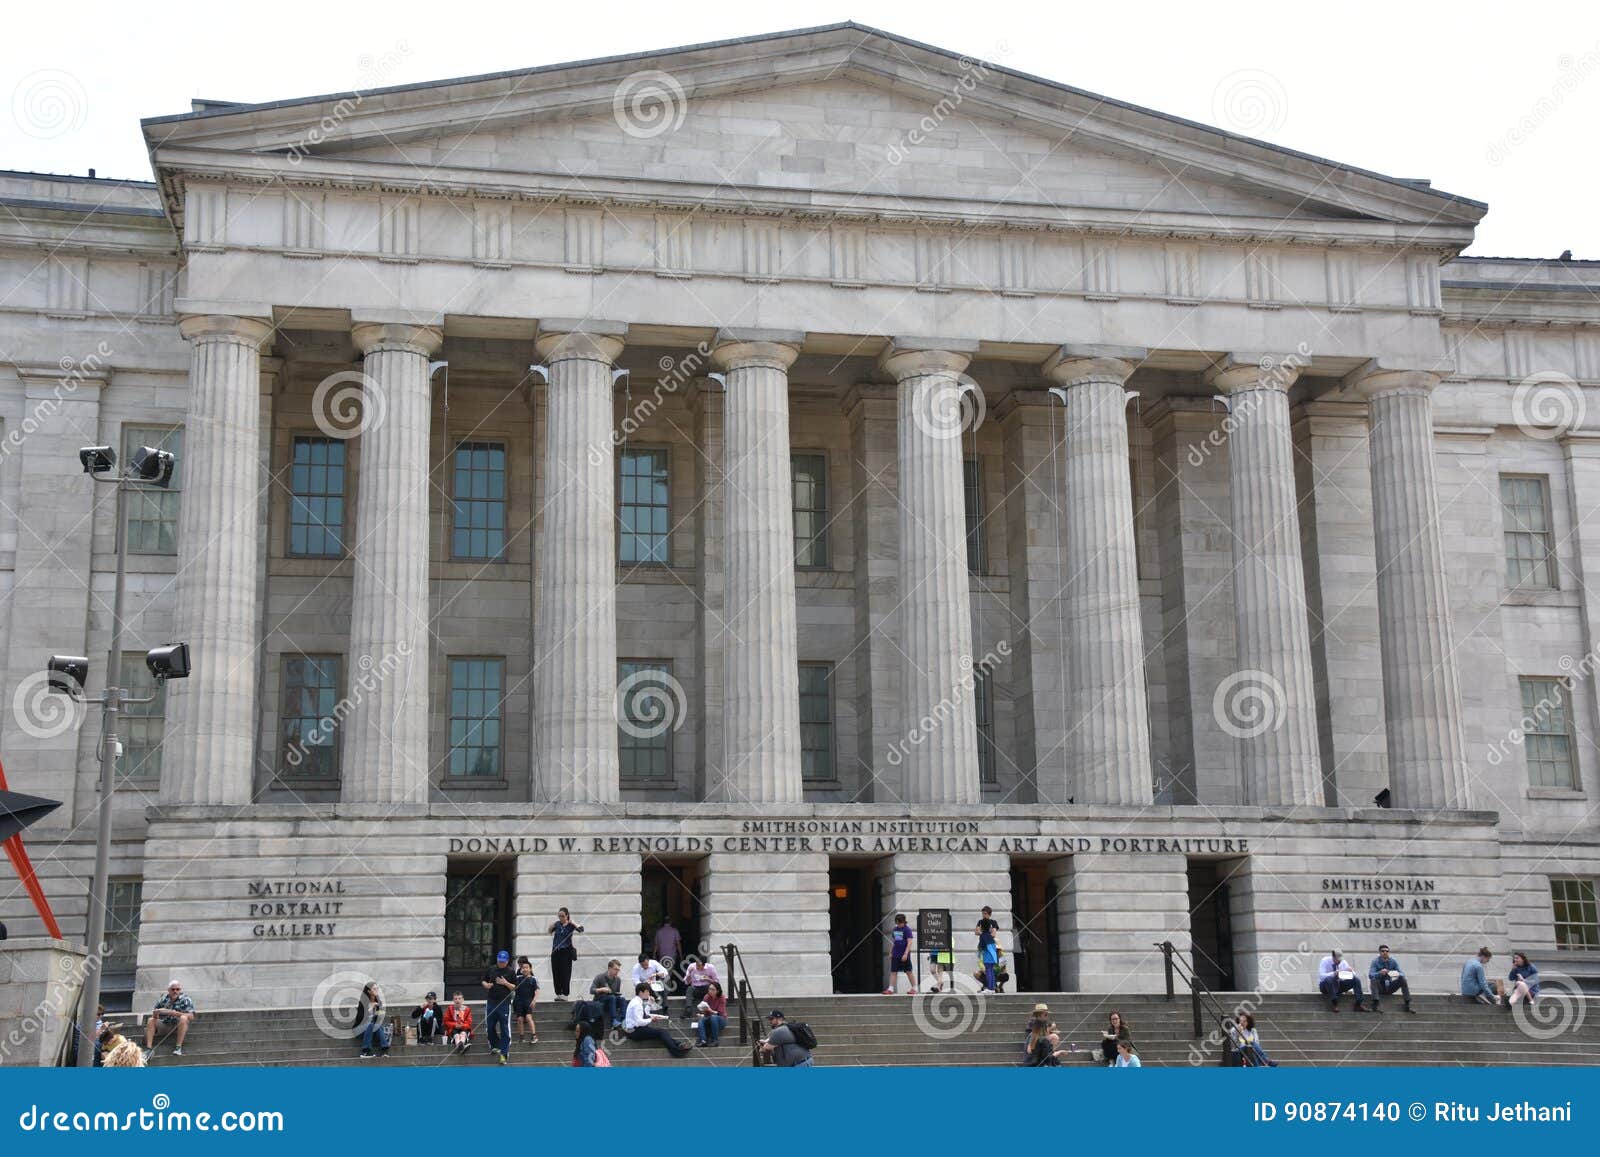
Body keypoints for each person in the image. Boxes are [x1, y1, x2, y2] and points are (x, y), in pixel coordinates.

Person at [623, 982, 690, 1057]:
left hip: (637, 1029)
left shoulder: (637, 1001)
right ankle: (677, 1052)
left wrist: (649, 1003)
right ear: (641, 992)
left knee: (661, 1033)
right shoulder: (637, 1004)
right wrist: (651, 1019)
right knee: (662, 1032)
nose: (649, 993)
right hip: (634, 1031)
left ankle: (678, 1044)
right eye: (647, 991)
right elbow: (639, 1022)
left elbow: (645, 1013)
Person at [482, 949, 518, 1064]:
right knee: (490, 1026)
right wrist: (486, 985)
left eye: (503, 961)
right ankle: (495, 1045)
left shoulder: (511, 971)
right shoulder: (492, 969)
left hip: (504, 1003)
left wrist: (505, 983)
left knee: (505, 1029)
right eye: (499, 961)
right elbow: (483, 980)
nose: (501, 963)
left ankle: (504, 1054)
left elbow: (515, 987)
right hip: (491, 1002)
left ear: (507, 961)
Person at [142, 980, 196, 1058]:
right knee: (151, 1020)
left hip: (178, 1026)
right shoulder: (163, 999)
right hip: (165, 1024)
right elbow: (155, 1015)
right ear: (168, 990)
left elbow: (191, 1016)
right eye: (173, 989)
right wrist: (157, 1012)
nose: (175, 991)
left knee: (184, 1018)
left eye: (177, 989)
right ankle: (149, 1049)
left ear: (180, 990)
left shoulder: (186, 999)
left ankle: (178, 1047)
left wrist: (174, 1013)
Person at [548, 908, 583, 1001]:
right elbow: (549, 931)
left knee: (565, 972)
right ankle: (558, 993)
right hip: (555, 951)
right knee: (556, 972)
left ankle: (565, 993)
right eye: (559, 916)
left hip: (566, 951)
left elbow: (581, 929)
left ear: (567, 915)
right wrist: (551, 926)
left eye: (563, 916)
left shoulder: (570, 925)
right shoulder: (557, 924)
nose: (561, 918)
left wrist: (573, 923)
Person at [1368, 945, 1415, 1013]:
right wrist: (1379, 973)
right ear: (1379, 952)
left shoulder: (1393, 961)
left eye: (1387, 951)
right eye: (1383, 951)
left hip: (1390, 987)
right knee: (1373, 979)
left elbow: (1402, 974)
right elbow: (1370, 975)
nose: (1385, 952)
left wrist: (1392, 973)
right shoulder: (1375, 962)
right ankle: (1375, 1004)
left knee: (1402, 979)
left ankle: (1407, 1004)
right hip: (1380, 987)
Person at [589, 959, 629, 1027]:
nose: (617, 971)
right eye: (615, 969)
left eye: (618, 970)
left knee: (622, 999)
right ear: (609, 968)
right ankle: (614, 1020)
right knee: (612, 997)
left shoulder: (618, 980)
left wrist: (617, 994)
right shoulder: (600, 977)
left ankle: (623, 1019)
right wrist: (602, 989)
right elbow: (591, 990)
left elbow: (616, 992)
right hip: (600, 1000)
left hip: (611, 1000)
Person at [883, 913, 915, 994]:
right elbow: (894, 941)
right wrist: (891, 952)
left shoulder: (907, 930)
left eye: (899, 923)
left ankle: (914, 988)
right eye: (897, 923)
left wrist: (905, 954)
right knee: (893, 971)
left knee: (908, 971)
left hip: (904, 954)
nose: (898, 924)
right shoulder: (895, 929)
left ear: (903, 922)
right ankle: (890, 989)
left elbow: (909, 942)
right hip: (895, 954)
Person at [358, 983, 391, 1059]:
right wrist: (370, 1008)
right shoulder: (362, 1002)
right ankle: (366, 1052)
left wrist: (378, 1011)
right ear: (369, 991)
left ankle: (384, 1050)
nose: (377, 990)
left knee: (376, 1026)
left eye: (377, 988)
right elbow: (360, 1018)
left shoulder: (379, 1003)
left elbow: (380, 1018)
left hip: (374, 1028)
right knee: (371, 1025)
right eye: (374, 989)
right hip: (360, 1028)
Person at [513, 956, 541, 1044]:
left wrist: (534, 1000)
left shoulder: (533, 979)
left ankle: (534, 1036)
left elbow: (537, 991)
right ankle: (521, 1037)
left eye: (526, 968)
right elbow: (512, 986)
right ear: (521, 969)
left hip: (528, 1001)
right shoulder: (517, 978)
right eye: (523, 968)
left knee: (529, 1018)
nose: (524, 969)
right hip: (519, 1001)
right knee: (520, 1019)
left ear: (530, 969)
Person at [695, 980, 728, 1047]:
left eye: (713, 989)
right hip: (709, 1018)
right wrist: (701, 1014)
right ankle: (703, 1041)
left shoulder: (722, 998)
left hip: (721, 1019)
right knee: (701, 1020)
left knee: (713, 1017)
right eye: (709, 989)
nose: (710, 991)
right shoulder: (706, 997)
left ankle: (715, 1040)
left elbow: (719, 1013)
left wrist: (710, 1010)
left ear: (717, 991)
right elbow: (704, 1012)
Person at [975, 907, 1000, 993]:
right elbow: (976, 932)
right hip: (986, 946)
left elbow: (993, 934)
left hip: (989, 946)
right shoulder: (980, 921)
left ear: (989, 914)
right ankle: (992, 988)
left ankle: (990, 988)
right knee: (989, 967)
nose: (983, 915)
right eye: (983, 913)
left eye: (985, 913)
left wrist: (982, 932)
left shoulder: (993, 922)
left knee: (989, 967)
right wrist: (984, 932)